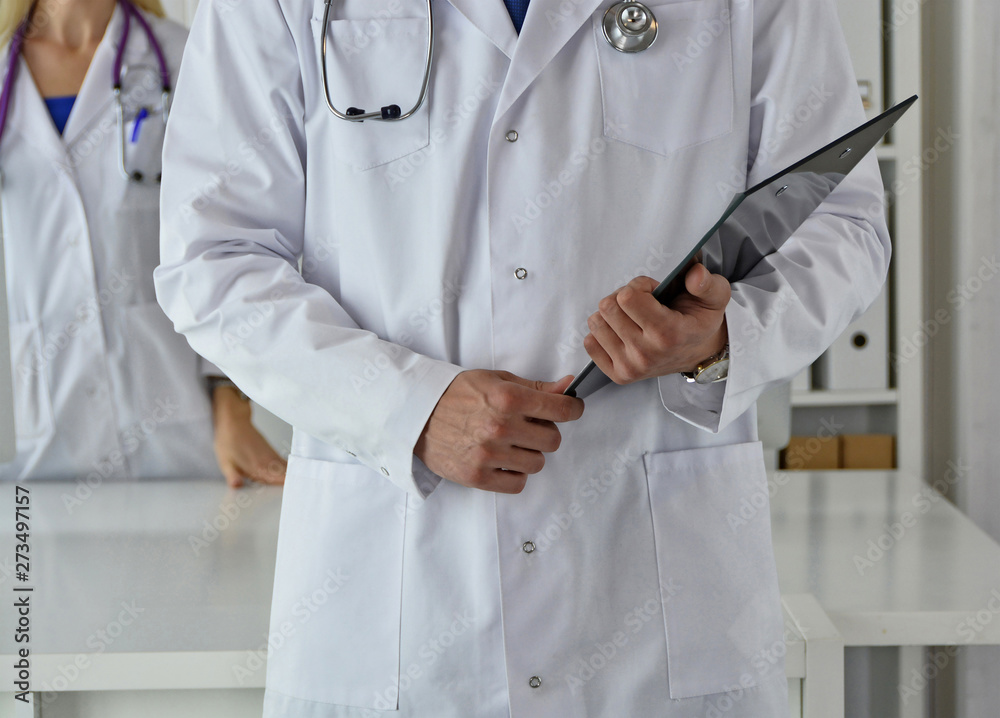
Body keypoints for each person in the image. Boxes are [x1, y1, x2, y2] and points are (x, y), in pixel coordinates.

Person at [155, 0, 889, 715]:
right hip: (400, 592)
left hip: (649, 590)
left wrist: (722, 338)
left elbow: (842, 225)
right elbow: (213, 255)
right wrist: (406, 408)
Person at [0, 0, 285, 486]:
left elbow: (232, 243)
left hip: (178, 443)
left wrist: (233, 410)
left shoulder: (183, 57)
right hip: (27, 459)